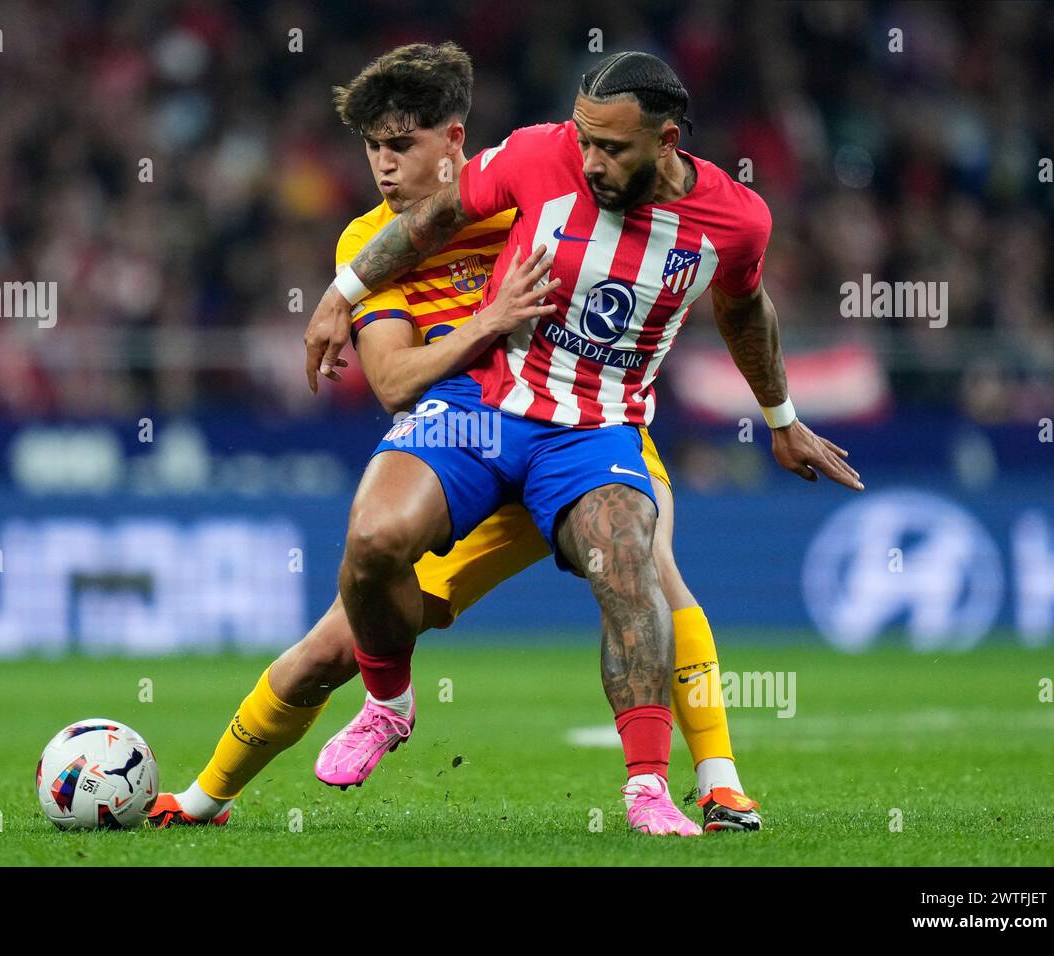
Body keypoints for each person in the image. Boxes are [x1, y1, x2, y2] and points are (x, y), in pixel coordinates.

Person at [151, 44, 765, 835]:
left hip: (585, 424)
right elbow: (396, 385)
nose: (383, 166)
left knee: (647, 571)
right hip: (469, 435)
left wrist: (769, 407)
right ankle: (205, 799)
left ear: (454, 140)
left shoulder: (528, 190)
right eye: (372, 148)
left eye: (401, 145)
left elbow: (673, 251)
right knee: (332, 645)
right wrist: (466, 316)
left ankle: (712, 784)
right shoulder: (369, 243)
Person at [303, 49, 864, 836]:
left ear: (667, 141)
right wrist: (343, 292)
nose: (590, 159)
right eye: (585, 139)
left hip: (596, 428)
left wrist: (780, 418)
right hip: (488, 405)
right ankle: (389, 706)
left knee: (631, 564)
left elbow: (745, 311)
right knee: (373, 538)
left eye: (612, 148)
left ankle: (649, 792)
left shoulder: (737, 221)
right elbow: (433, 218)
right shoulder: (539, 153)